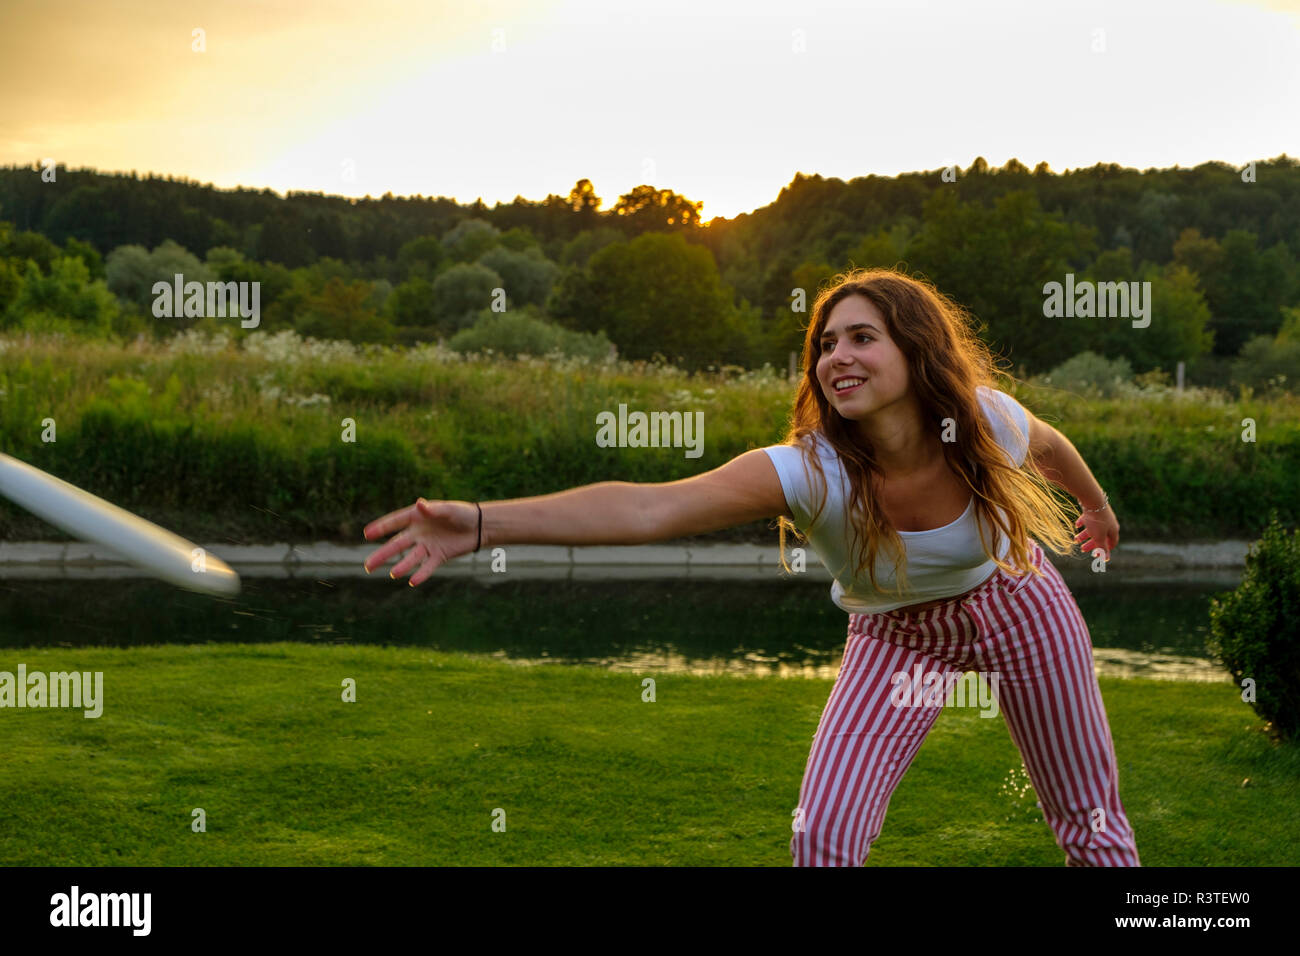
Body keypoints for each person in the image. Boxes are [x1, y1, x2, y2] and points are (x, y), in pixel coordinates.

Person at [361, 267, 1139, 867]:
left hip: (1020, 605)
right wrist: (482, 522)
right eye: (826, 344)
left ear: (915, 346)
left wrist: (1096, 508)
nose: (837, 356)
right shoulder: (809, 471)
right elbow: (648, 508)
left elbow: (1050, 445)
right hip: (897, 640)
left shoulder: (987, 418)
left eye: (862, 337)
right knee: (824, 837)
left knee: (1088, 817)